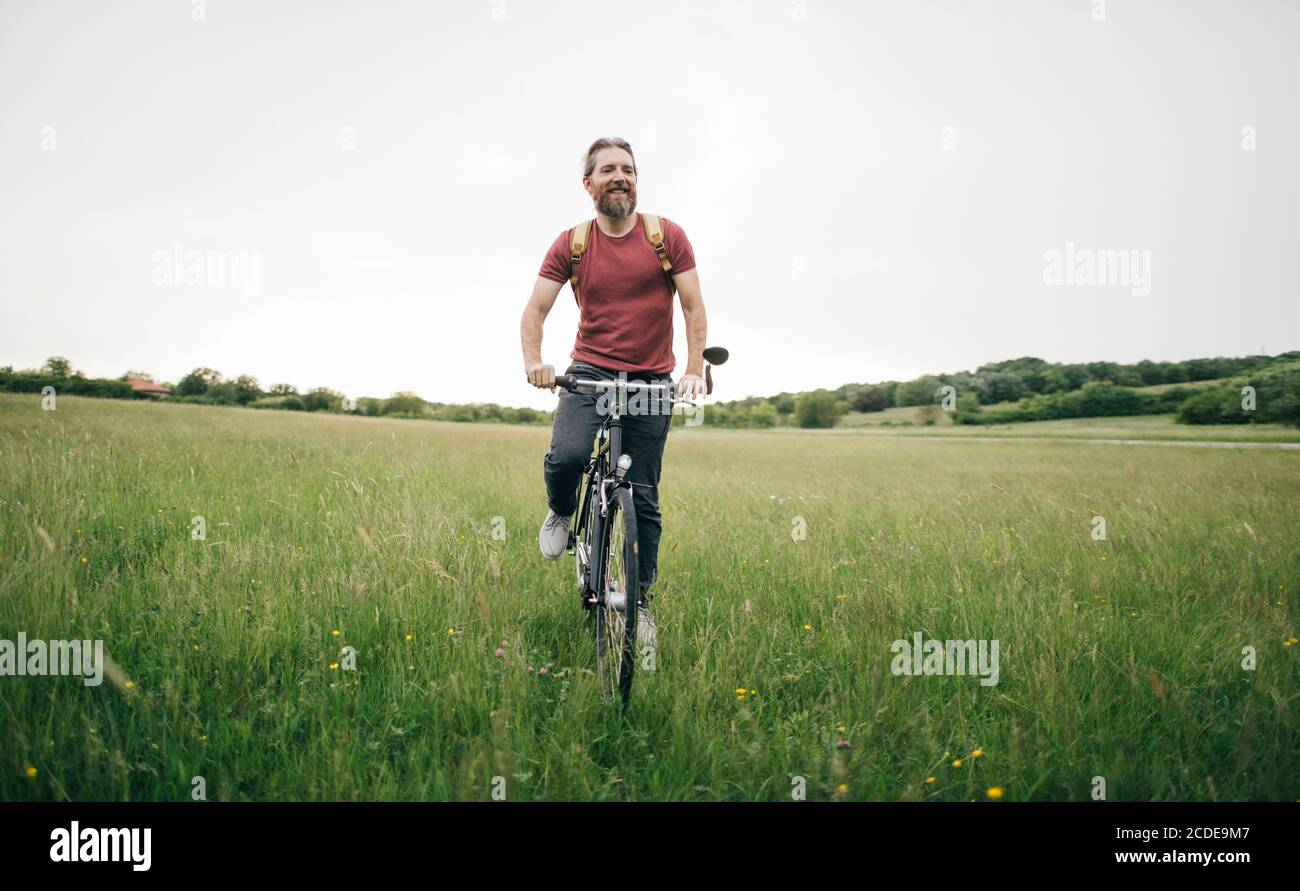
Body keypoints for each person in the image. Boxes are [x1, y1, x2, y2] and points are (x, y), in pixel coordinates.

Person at [520, 136, 710, 647]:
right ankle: (562, 510)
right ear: (589, 184)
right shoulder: (573, 243)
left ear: (636, 178)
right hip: (590, 374)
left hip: (650, 381)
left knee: (643, 500)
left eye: (628, 168)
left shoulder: (665, 237)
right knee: (567, 458)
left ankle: (639, 603)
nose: (620, 176)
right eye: (607, 170)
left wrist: (693, 369)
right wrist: (535, 362)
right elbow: (535, 311)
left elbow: (693, 307)